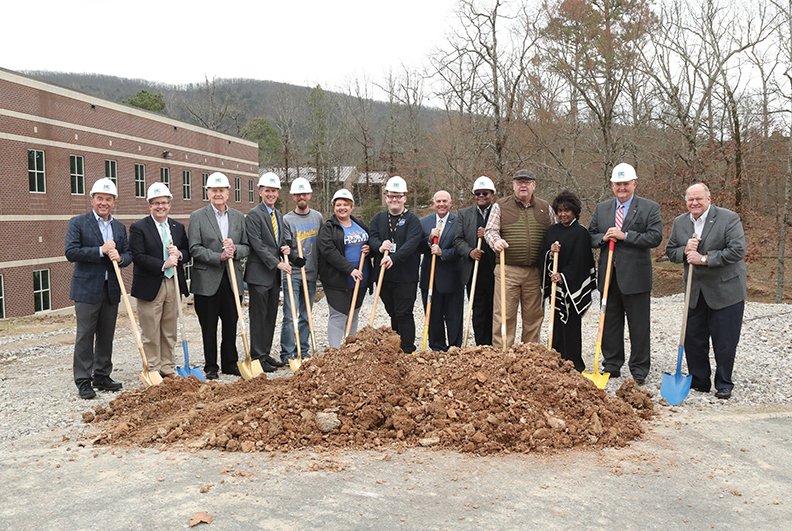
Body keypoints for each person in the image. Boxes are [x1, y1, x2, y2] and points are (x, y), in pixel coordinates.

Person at [666, 183, 746, 399]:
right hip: (694, 291)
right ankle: (699, 381)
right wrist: (684, 250)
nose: (694, 203)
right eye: (690, 199)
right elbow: (670, 250)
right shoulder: (680, 222)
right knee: (694, 338)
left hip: (726, 291)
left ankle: (724, 383)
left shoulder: (729, 218)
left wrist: (704, 259)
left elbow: (737, 250)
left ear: (709, 198)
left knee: (725, 341)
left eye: (699, 198)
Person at [588, 163, 662, 384]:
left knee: (639, 325)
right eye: (618, 184)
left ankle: (639, 368)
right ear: (612, 185)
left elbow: (655, 237)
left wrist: (625, 236)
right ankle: (612, 363)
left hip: (636, 277)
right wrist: (603, 238)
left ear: (634, 184)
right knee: (610, 321)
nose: (622, 187)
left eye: (626, 184)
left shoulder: (649, 208)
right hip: (609, 276)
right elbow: (591, 235)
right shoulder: (602, 209)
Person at [64, 178, 132, 399]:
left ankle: (102, 375)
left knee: (106, 334)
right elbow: (71, 252)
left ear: (114, 202)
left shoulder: (119, 227)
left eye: (109, 199)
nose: (104, 202)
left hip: (110, 288)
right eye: (100, 198)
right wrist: (101, 250)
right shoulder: (78, 223)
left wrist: (120, 257)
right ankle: (83, 380)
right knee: (85, 335)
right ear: (92, 199)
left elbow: (128, 254)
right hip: (86, 290)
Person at [188, 172, 250, 380]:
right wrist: (219, 256)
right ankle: (211, 366)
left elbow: (246, 246)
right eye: (214, 190)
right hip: (207, 280)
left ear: (228, 193)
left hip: (232, 280)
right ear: (208, 192)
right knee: (209, 325)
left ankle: (230, 363)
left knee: (231, 321)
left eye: (221, 190)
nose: (218, 194)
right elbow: (194, 248)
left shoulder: (239, 218)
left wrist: (236, 251)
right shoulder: (197, 217)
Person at [484, 169, 555, 348]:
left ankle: (529, 355)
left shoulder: (545, 207)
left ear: (534, 185)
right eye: (519, 182)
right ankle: (502, 354)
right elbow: (490, 230)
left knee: (533, 316)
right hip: (507, 269)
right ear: (513, 185)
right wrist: (496, 241)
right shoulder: (501, 205)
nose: (523, 185)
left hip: (535, 271)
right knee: (504, 315)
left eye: (527, 182)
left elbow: (555, 231)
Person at [129, 183, 190, 379]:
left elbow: (188, 252)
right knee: (151, 328)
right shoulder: (139, 227)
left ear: (169, 204)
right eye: (156, 203)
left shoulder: (177, 227)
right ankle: (153, 367)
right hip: (150, 284)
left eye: (163, 203)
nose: (160, 207)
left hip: (174, 283)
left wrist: (179, 254)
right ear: (149, 205)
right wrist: (164, 263)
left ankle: (168, 366)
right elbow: (138, 256)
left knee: (169, 327)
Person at [245, 172, 302, 371]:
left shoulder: (277, 215)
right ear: (260, 192)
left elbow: (276, 242)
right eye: (267, 190)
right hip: (259, 274)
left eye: (274, 191)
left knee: (270, 316)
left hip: (272, 276)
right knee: (258, 317)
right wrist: (277, 263)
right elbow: (257, 245)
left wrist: (285, 248)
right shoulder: (254, 215)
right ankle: (257, 357)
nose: (271, 194)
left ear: (278, 193)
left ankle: (265, 354)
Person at [539, 191, 597, 371]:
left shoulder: (580, 233)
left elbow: (581, 262)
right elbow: (541, 256)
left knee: (571, 325)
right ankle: (556, 360)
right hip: (556, 288)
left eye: (567, 210)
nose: (563, 214)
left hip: (571, 289)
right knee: (556, 322)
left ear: (574, 212)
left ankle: (573, 363)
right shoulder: (552, 231)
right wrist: (550, 253)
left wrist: (563, 277)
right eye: (560, 210)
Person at [368, 176, 423, 353]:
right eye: (391, 196)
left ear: (404, 198)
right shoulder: (378, 219)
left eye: (398, 196)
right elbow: (372, 238)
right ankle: (396, 345)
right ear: (386, 198)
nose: (395, 200)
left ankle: (407, 349)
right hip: (384, 276)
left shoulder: (413, 220)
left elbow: (412, 244)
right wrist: (379, 246)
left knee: (404, 312)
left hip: (406, 277)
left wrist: (394, 257)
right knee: (392, 312)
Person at [317, 188, 372, 347]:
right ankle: (334, 352)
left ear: (351, 206)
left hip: (360, 278)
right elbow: (328, 251)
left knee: (354, 314)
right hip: (337, 280)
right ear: (334, 207)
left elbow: (371, 242)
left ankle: (350, 349)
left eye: (346, 204)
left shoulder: (359, 224)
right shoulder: (329, 227)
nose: (342, 207)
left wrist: (370, 249)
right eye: (338, 204)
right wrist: (349, 269)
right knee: (338, 315)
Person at [280, 177, 323, 362]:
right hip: (292, 274)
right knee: (290, 315)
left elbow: (323, 243)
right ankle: (286, 353)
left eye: (304, 193)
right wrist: (295, 259)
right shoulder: (287, 219)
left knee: (306, 314)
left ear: (310, 195)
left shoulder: (318, 217)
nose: (301, 197)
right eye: (298, 194)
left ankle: (303, 349)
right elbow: (286, 246)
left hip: (311, 273)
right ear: (293, 197)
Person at [454, 176, 497, 346]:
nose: (481, 196)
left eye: (485, 193)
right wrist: (470, 252)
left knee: (495, 310)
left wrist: (487, 234)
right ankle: (481, 346)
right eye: (477, 193)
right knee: (478, 310)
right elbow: (457, 240)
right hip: (474, 270)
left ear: (491, 195)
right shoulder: (464, 214)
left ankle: (495, 346)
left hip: (495, 269)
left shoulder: (499, 211)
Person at [419, 190, 463, 351]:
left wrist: (443, 252)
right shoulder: (424, 223)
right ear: (433, 203)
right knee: (433, 315)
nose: (441, 204)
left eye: (445, 201)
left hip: (452, 277)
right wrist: (429, 239)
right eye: (438, 201)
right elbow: (418, 247)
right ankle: (437, 347)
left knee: (453, 315)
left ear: (451, 203)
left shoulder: (458, 222)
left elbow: (461, 249)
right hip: (429, 277)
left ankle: (454, 347)